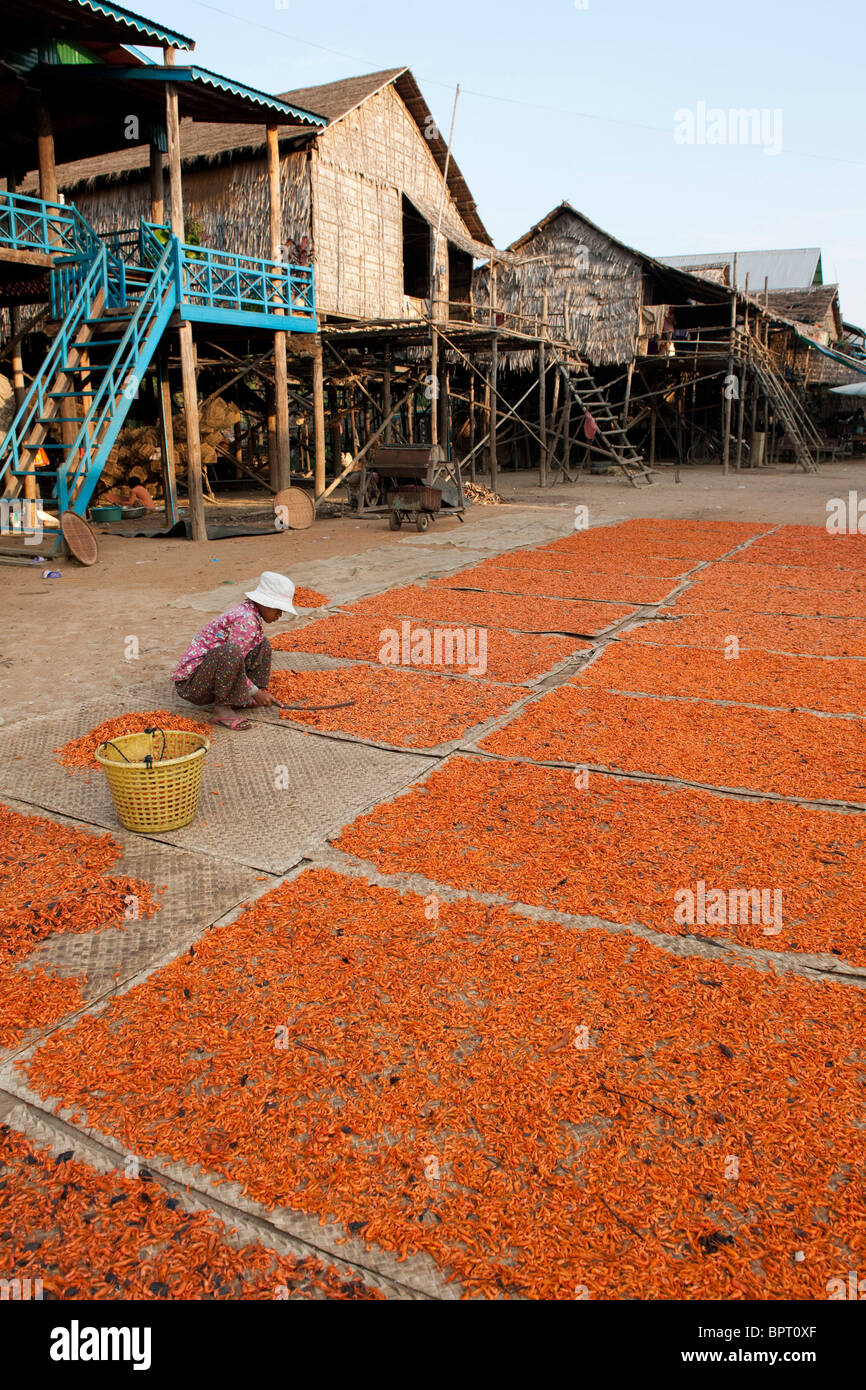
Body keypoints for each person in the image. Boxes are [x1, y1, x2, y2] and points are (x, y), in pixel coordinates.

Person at [172, 572, 296, 730]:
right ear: (264, 603)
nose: (280, 614)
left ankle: (244, 695)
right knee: (231, 652)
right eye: (278, 609)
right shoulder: (246, 619)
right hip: (193, 686)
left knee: (262, 643)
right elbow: (232, 658)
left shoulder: (252, 613)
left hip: (210, 675)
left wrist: (255, 691)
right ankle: (222, 709)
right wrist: (256, 692)